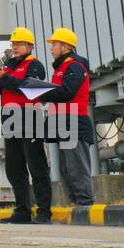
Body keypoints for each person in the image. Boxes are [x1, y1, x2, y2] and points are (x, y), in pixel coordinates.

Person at [0, 27, 51, 224]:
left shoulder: (35, 66)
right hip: (11, 117)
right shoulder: (9, 67)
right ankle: (22, 210)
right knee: (14, 168)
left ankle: (43, 212)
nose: (14, 47)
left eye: (19, 44)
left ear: (30, 46)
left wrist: (4, 77)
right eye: (13, 44)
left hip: (30, 115)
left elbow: (28, 87)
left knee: (36, 165)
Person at [35, 27, 95, 208]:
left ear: (66, 46)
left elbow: (68, 92)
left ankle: (85, 203)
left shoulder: (75, 66)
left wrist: (42, 92)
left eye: (54, 44)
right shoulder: (61, 67)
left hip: (74, 121)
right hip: (62, 121)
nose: (51, 48)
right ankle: (75, 203)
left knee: (77, 166)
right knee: (66, 168)